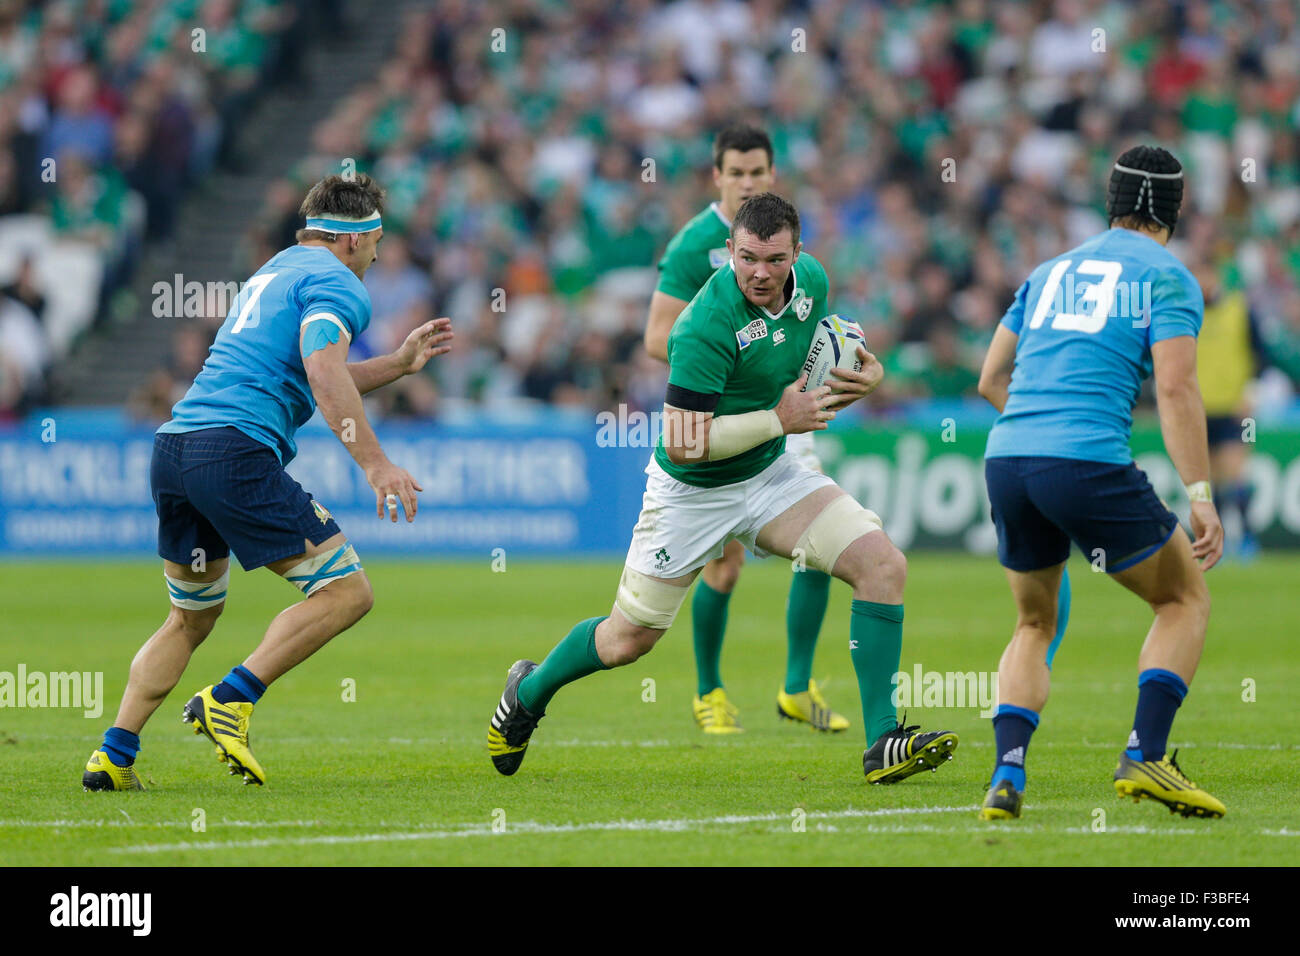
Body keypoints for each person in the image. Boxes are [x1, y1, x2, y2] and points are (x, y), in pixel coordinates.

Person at [490, 193, 958, 783]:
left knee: (882, 564)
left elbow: (824, 346)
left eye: (775, 259)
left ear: (798, 255)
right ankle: (527, 692)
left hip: (767, 473)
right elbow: (686, 443)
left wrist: (869, 373)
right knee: (626, 640)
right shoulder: (705, 324)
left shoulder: (812, 282)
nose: (760, 272)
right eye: (747, 258)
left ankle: (884, 741)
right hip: (690, 491)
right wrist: (778, 421)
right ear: (730, 251)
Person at [82, 174, 453, 790]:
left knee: (189, 618)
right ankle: (230, 698)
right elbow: (321, 367)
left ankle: (112, 755)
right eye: (379, 240)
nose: (381, 254)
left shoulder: (276, 270)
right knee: (346, 593)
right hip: (234, 452)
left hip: (177, 449)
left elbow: (312, 373)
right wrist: (375, 464)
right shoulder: (338, 282)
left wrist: (398, 364)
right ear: (352, 241)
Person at [976, 146, 1225, 821]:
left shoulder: (1049, 270)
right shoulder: (1169, 277)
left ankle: (1007, 773)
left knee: (1033, 621)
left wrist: (1038, 435)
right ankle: (1147, 755)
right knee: (1183, 600)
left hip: (1008, 459)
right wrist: (1200, 495)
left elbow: (989, 378)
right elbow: (1175, 387)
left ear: (1110, 200)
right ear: (1174, 209)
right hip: (1085, 460)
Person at [644, 123, 848, 735]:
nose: (747, 182)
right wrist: (733, 360)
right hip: (720, 418)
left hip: (788, 410)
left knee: (823, 545)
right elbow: (659, 339)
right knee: (724, 567)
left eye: (757, 172)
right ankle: (709, 690)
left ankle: (796, 686)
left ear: (770, 176)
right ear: (717, 177)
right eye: (736, 173)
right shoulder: (692, 247)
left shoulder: (790, 251)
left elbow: (814, 324)